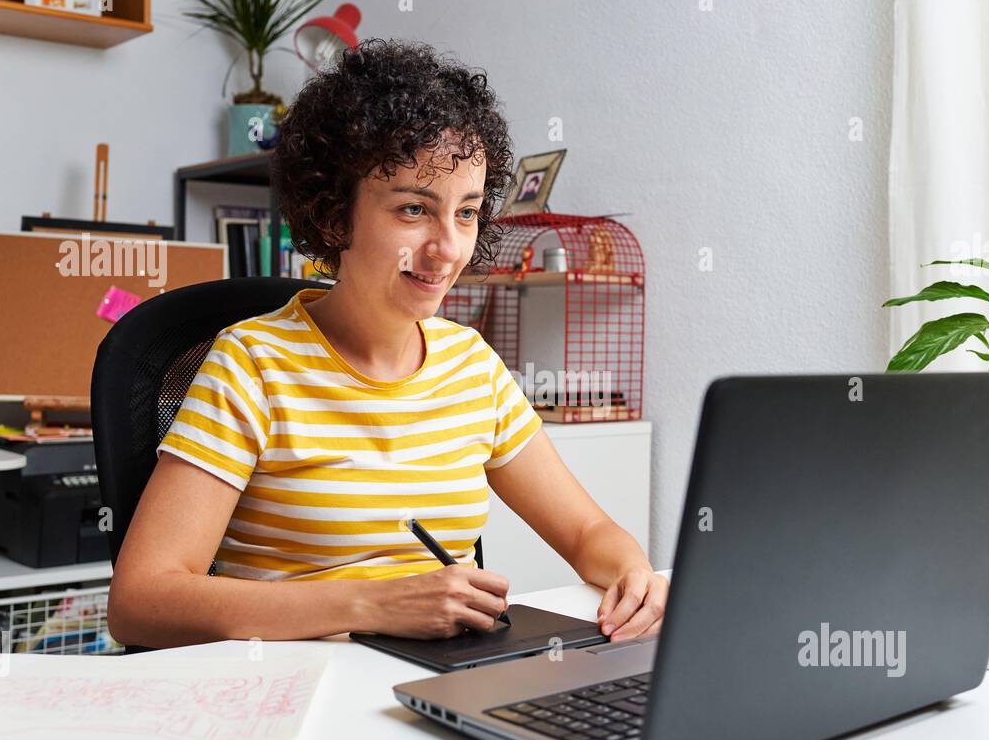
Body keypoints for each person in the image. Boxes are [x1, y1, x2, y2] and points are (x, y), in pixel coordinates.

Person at [108, 39, 669, 649]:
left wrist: (634, 573)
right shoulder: (252, 364)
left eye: (466, 213)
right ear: (333, 215)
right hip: (297, 701)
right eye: (413, 209)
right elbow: (141, 602)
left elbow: (588, 532)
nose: (448, 248)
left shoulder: (472, 366)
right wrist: (370, 602)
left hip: (439, 688)